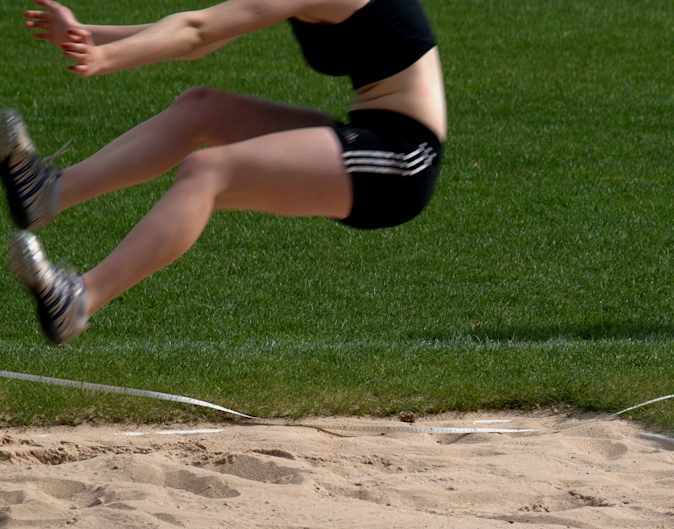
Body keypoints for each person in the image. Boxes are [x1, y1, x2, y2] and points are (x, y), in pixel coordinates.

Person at [1, 0, 446, 344]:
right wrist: (89, 38)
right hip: (367, 131)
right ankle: (49, 191)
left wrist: (106, 58)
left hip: (403, 158)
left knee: (208, 171)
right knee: (201, 109)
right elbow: (205, 33)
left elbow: (196, 33)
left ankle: (79, 300)